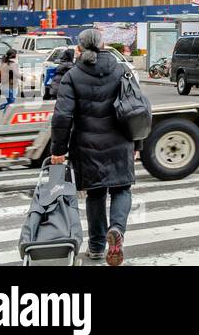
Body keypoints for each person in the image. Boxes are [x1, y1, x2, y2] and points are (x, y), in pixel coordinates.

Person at [48, 29, 134, 266]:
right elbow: (137, 108)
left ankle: (96, 248)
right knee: (122, 188)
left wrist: (58, 151)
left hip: (87, 145)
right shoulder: (122, 70)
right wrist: (139, 143)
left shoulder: (73, 76)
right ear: (103, 44)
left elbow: (62, 117)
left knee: (95, 193)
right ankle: (117, 229)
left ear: (80, 48)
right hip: (120, 141)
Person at [0, 49, 18, 116]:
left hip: (6, 86)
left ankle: (3, 115)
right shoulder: (10, 64)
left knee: (10, 103)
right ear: (13, 56)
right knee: (11, 104)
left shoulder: (4, 64)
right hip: (9, 86)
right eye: (16, 55)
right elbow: (16, 74)